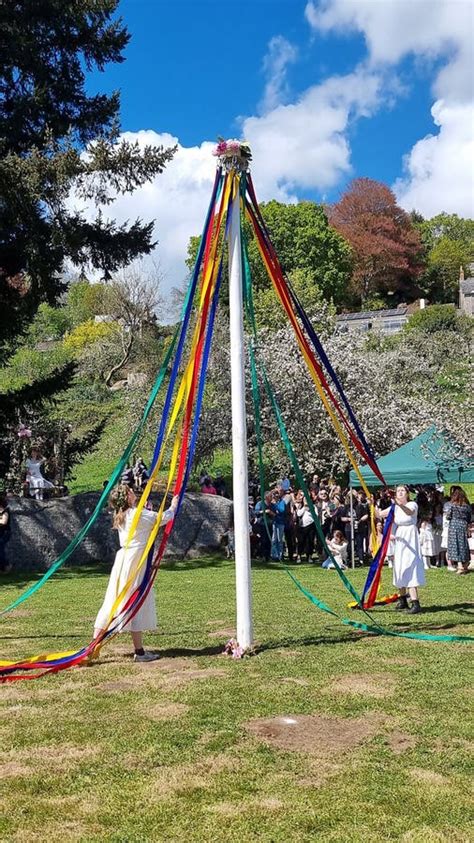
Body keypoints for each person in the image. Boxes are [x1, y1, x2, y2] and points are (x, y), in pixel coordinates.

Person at [93, 485, 178, 662]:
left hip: (125, 561)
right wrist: (174, 505)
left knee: (115, 600)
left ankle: (95, 646)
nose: (134, 492)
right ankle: (138, 652)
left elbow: (146, 523)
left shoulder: (123, 514)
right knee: (134, 601)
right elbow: (163, 518)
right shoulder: (137, 513)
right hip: (135, 562)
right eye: (130, 491)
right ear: (127, 497)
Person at [378, 485, 425, 614]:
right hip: (400, 538)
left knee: (410, 565)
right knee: (399, 566)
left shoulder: (412, 504)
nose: (399, 492)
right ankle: (402, 599)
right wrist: (372, 504)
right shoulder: (394, 507)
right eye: (398, 491)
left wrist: (399, 504)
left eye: (402, 491)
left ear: (407, 494)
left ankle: (415, 603)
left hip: (410, 537)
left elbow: (409, 512)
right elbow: (380, 514)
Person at [445, 488, 472, 575]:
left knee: (455, 545)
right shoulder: (467, 506)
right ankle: (466, 563)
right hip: (463, 525)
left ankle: (460, 565)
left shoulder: (453, 506)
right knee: (463, 544)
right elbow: (469, 518)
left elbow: (448, 516)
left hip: (453, 526)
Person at [0, 492, 12, 573]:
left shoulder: (5, 511)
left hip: (4, 533)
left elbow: (4, 522)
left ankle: (6, 566)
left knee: (0, 549)